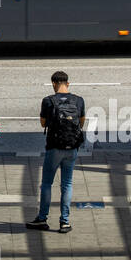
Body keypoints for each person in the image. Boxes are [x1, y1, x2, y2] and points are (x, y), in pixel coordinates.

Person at [26, 71, 87, 234]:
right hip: (72, 147)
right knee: (67, 184)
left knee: (47, 184)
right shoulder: (79, 100)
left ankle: (42, 218)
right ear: (68, 83)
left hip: (54, 147)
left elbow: (42, 123)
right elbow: (81, 122)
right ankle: (65, 222)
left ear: (53, 83)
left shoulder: (48, 101)